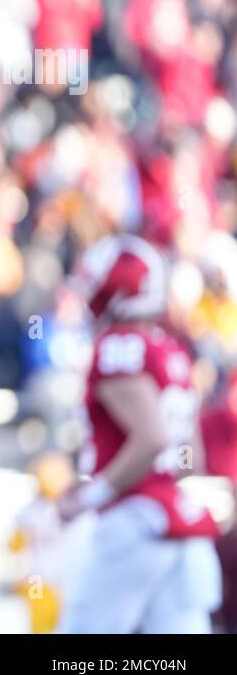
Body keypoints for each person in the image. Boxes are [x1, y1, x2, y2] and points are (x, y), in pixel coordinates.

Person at [58, 234, 221, 633]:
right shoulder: (170, 351)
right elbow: (190, 460)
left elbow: (152, 438)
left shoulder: (118, 346)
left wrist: (91, 494)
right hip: (177, 522)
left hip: (133, 522)